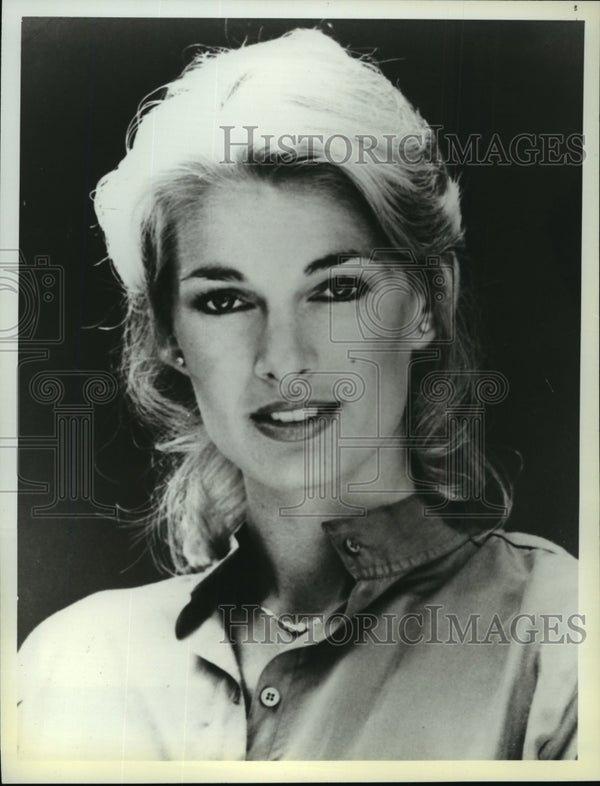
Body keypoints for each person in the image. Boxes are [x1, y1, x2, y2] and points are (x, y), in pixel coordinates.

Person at [18, 28, 578, 761]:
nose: (282, 361)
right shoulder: (68, 668)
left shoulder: (561, 645)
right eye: (224, 301)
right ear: (167, 335)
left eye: (335, 289)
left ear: (426, 303)